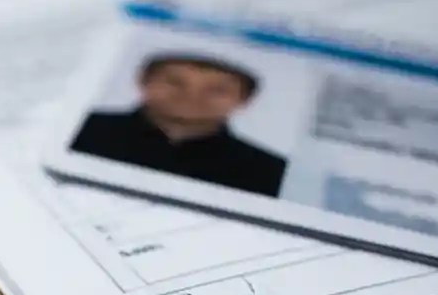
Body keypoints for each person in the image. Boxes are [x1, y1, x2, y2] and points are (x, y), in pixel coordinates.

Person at [69, 53, 287, 197]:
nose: (192, 96)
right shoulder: (77, 128)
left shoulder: (270, 171)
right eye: (175, 82)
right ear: (143, 81)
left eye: (217, 90)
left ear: (244, 99)